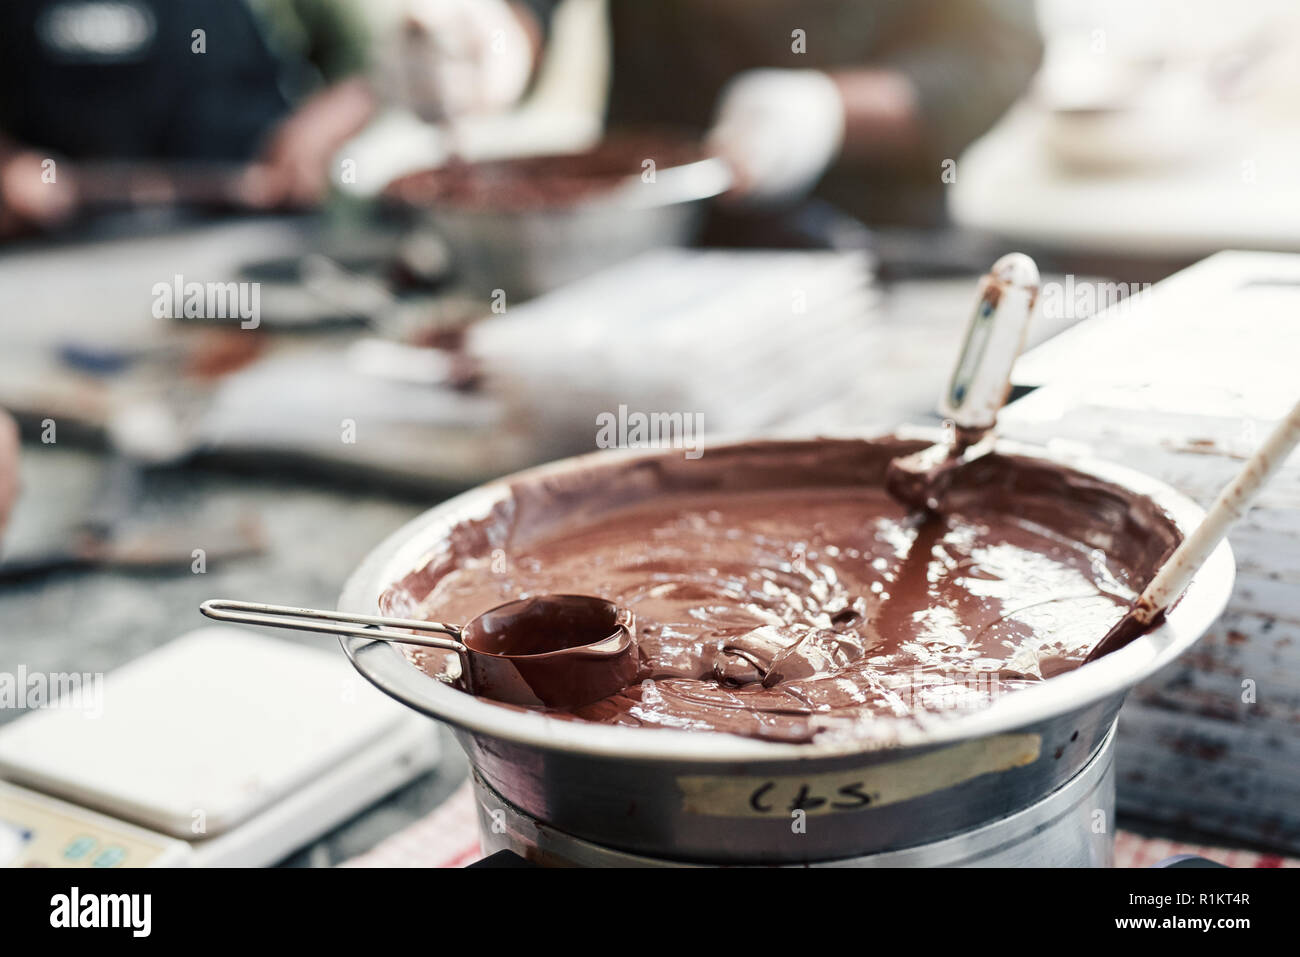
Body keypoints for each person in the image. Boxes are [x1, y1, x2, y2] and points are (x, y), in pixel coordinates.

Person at [394, 0, 1043, 226]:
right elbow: (527, 8)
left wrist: (829, 112)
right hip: (640, 240)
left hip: (876, 247)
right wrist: (490, 40)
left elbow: (998, 49)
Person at [0, 0, 378, 235]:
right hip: (60, 251)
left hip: (258, 240)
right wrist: (9, 164)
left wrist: (312, 134)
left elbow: (368, 68)